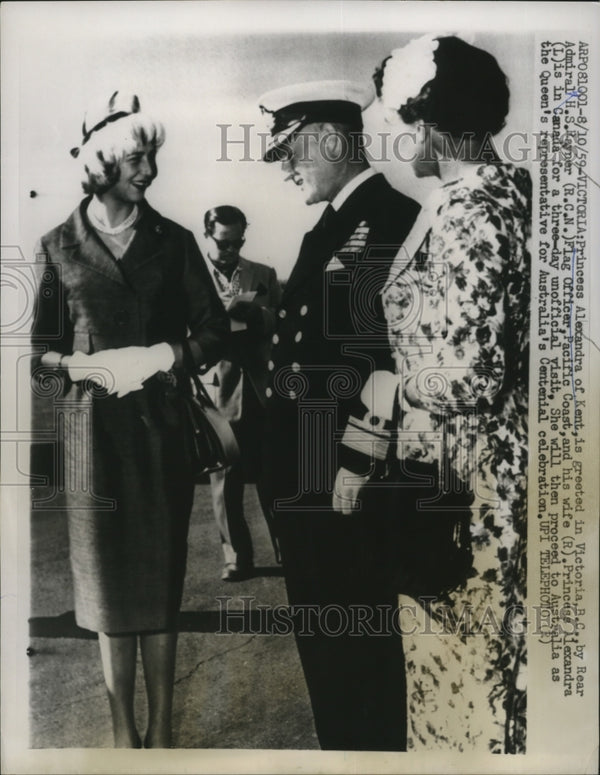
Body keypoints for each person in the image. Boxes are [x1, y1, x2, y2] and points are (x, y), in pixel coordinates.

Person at [334, 36, 530, 752]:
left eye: (395, 123)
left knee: (462, 676)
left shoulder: (466, 208)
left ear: (427, 123)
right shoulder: (511, 192)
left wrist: (380, 392)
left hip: (459, 484)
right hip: (479, 468)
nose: (389, 139)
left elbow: (471, 373)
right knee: (488, 672)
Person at [30, 91, 229, 748]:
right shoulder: (58, 244)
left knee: (159, 582)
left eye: (153, 157)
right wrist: (87, 367)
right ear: (103, 162)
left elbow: (214, 331)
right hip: (91, 438)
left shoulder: (173, 242)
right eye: (139, 157)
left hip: (159, 433)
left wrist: (160, 355)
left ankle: (164, 729)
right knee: (111, 590)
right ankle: (122, 735)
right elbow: (40, 355)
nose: (150, 170)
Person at [257, 80, 420, 751]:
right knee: (327, 645)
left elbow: (387, 354)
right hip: (304, 473)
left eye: (291, 150)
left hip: (340, 479)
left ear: (330, 138)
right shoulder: (331, 226)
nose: (287, 166)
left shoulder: (383, 219)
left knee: (356, 649)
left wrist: (356, 457)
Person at [203, 205, 282, 581]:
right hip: (217, 392)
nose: (232, 250)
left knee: (276, 472)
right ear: (207, 237)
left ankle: (288, 548)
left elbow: (280, 320)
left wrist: (258, 316)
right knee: (226, 477)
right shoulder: (189, 279)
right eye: (224, 243)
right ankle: (236, 556)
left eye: (239, 242)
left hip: (262, 388)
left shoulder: (263, 274)